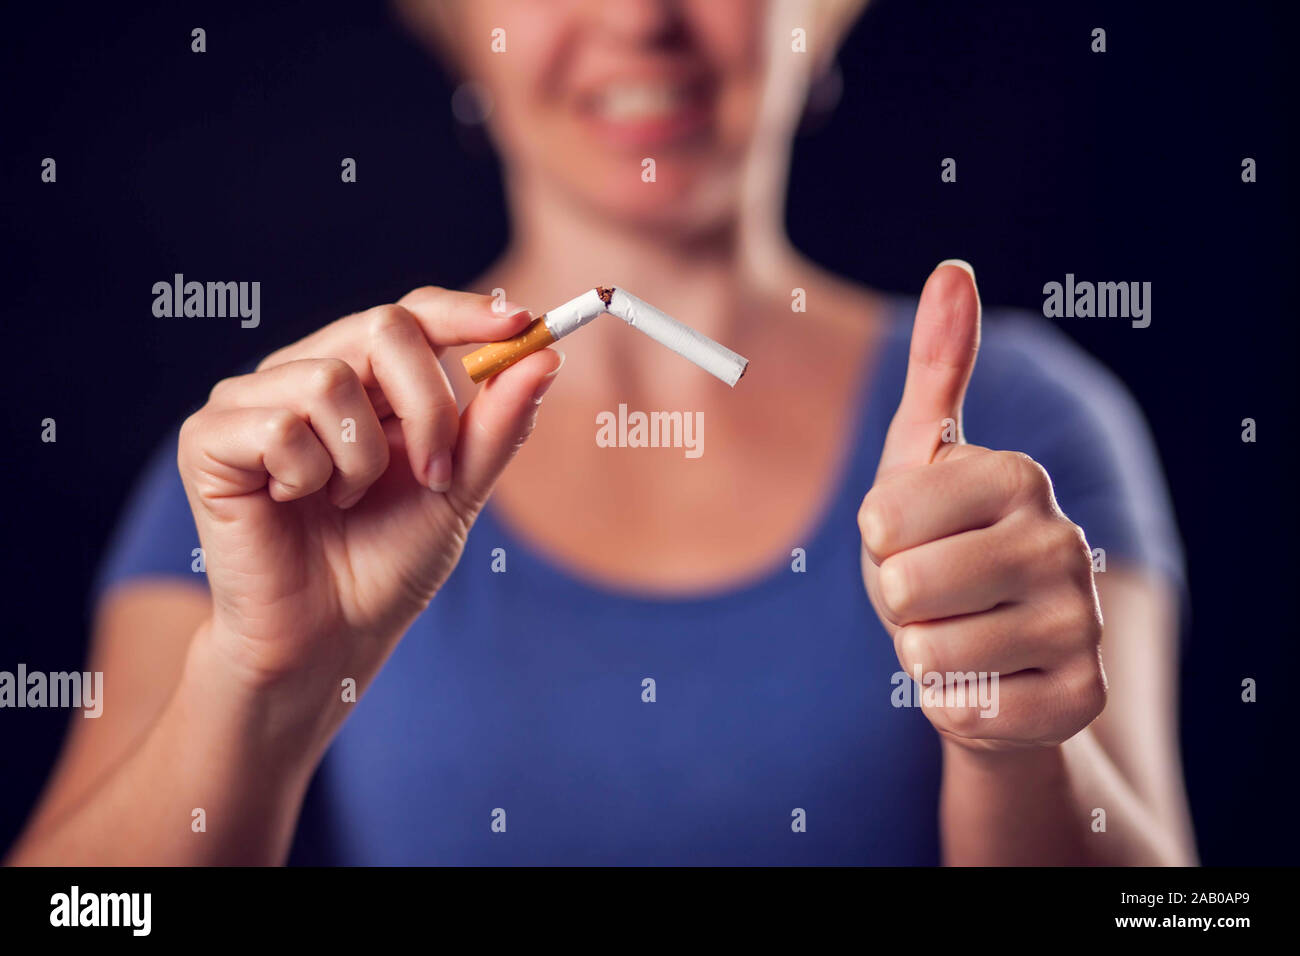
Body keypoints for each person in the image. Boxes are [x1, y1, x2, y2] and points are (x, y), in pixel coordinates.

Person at [7, 0, 1196, 865]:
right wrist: (257, 693)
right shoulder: (282, 469)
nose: (639, 17)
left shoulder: (1029, 427)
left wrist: (1018, 744)